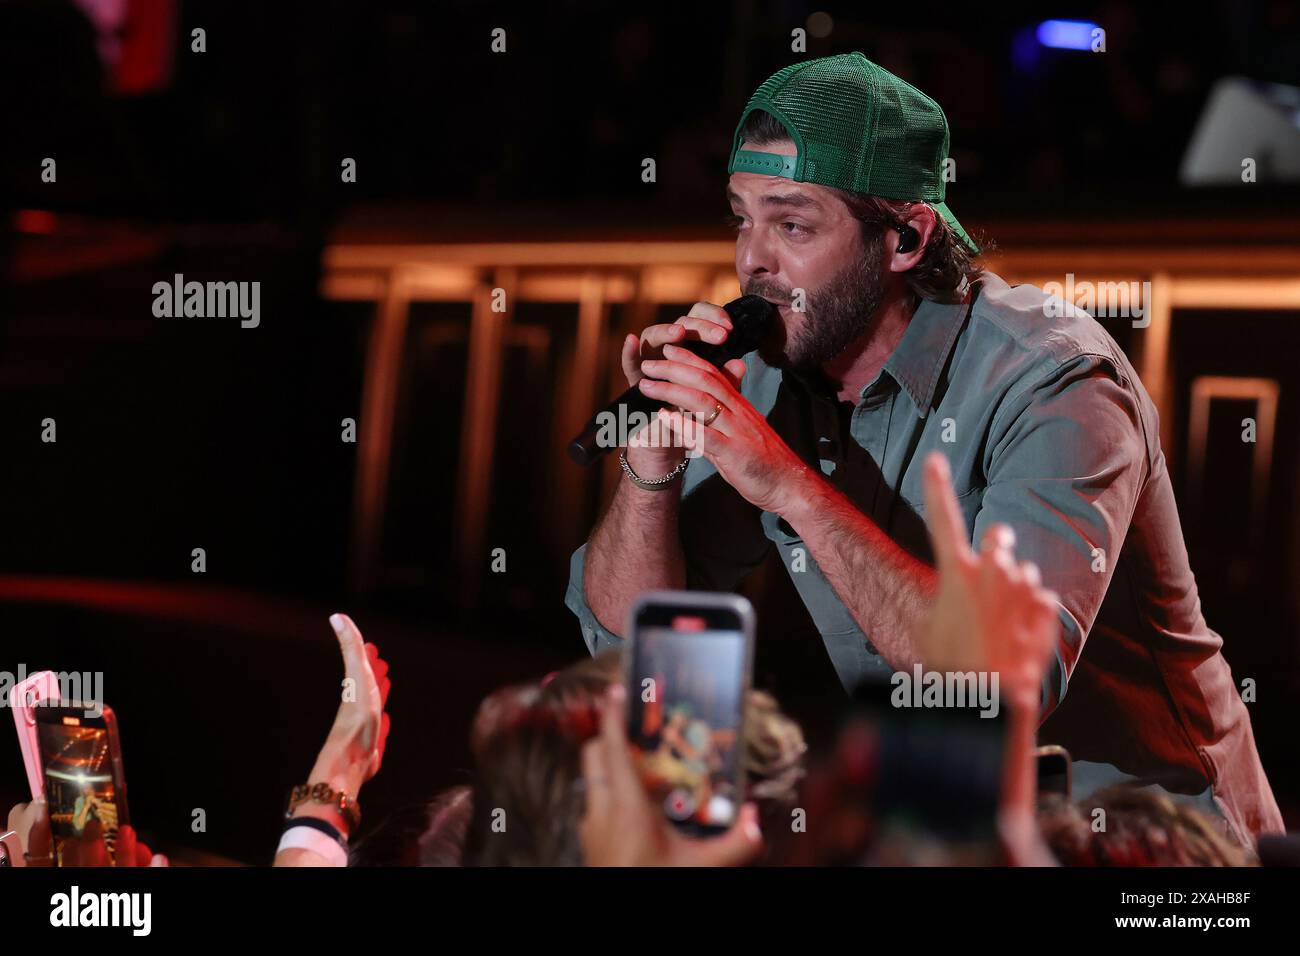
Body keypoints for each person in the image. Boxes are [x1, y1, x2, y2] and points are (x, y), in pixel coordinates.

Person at [566, 52, 1282, 842]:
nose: (751, 262)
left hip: (1154, 845)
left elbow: (1000, 688)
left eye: (792, 224)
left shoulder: (1055, 380)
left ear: (906, 237)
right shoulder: (773, 373)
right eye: (743, 218)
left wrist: (790, 486)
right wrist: (652, 469)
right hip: (957, 831)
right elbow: (634, 640)